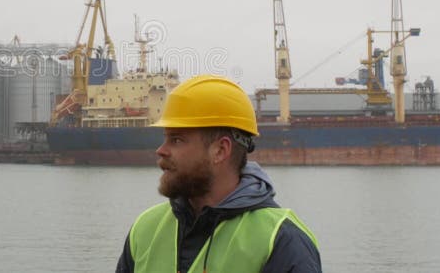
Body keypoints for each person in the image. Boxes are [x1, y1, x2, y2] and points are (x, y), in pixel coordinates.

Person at [116, 75, 321, 273]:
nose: (161, 150)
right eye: (165, 138)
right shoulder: (144, 230)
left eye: (176, 140)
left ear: (220, 150)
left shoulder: (281, 242)